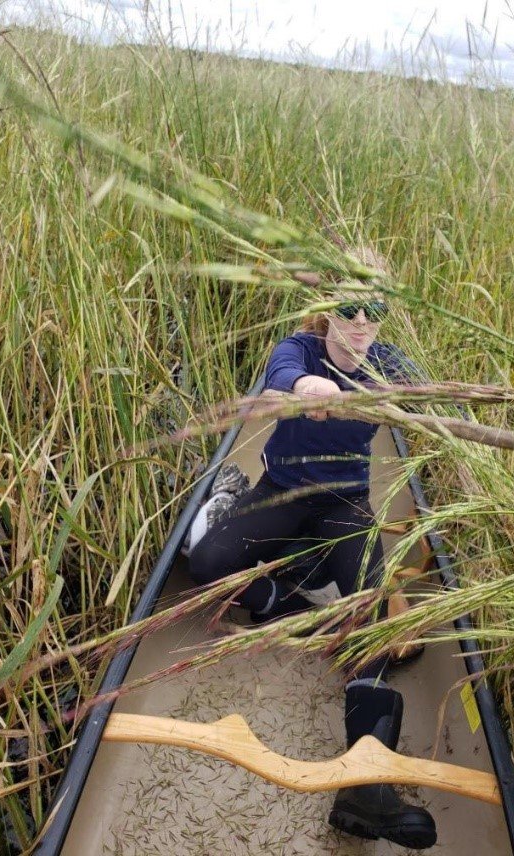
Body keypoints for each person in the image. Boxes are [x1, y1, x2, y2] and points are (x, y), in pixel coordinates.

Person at [188, 255, 437, 849]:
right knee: (205, 565)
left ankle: (366, 781)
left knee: (372, 621)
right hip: (283, 489)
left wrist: (409, 403)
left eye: (372, 309)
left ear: (384, 314)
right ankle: (276, 585)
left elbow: (421, 396)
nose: (358, 320)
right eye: (346, 307)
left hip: (345, 505)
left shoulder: (390, 365)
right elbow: (283, 374)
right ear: (326, 309)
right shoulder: (300, 351)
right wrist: (310, 388)